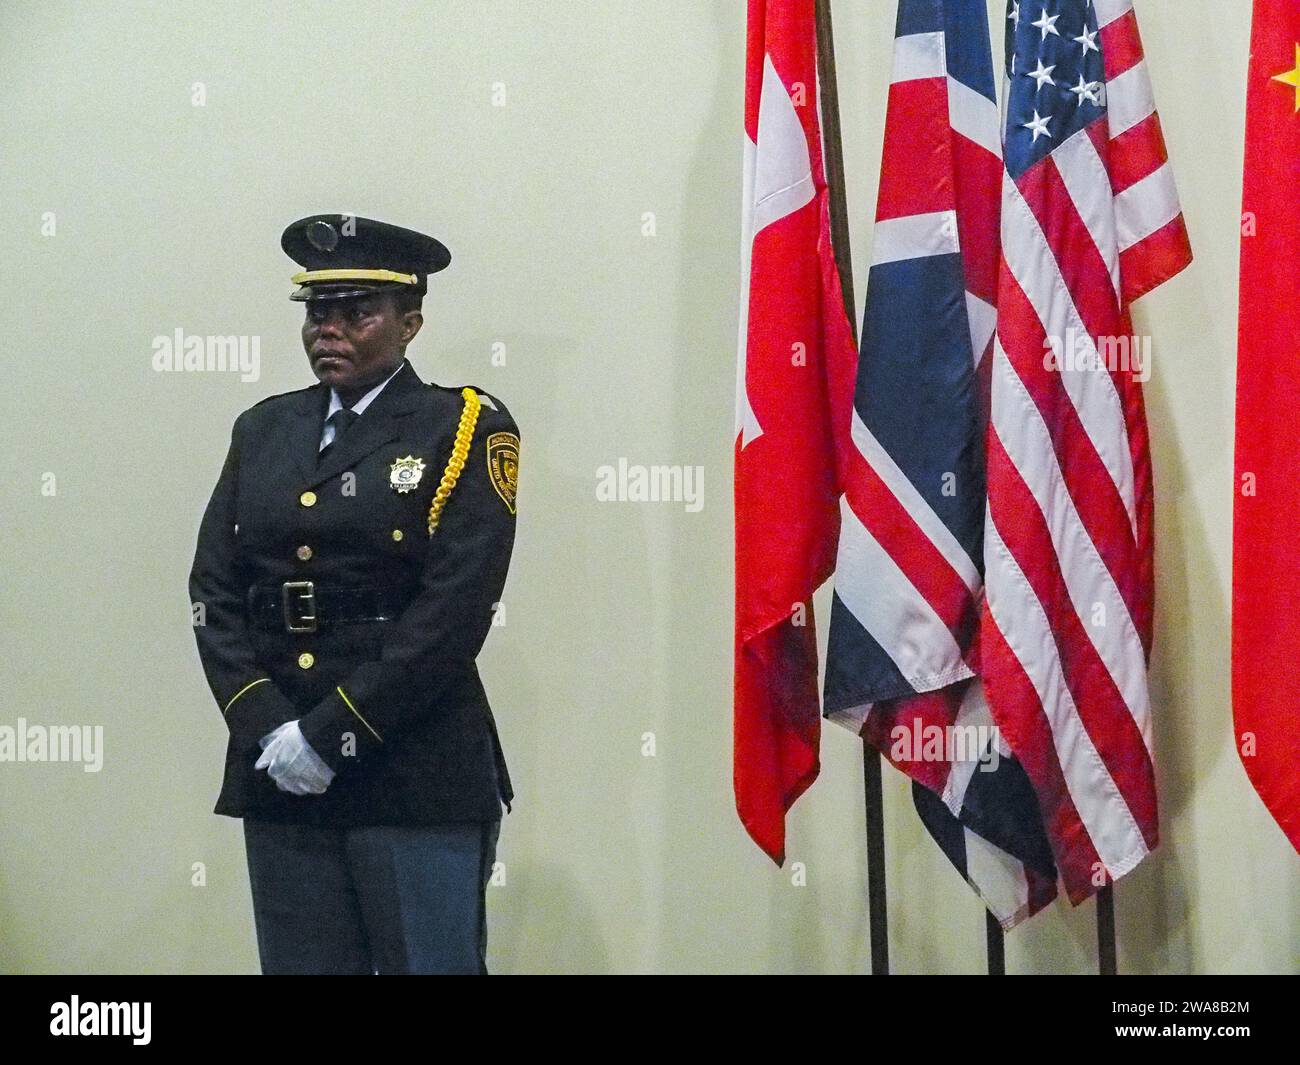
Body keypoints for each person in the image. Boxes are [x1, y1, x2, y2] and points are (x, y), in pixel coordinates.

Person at [188, 213, 519, 974]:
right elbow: (214, 588)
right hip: (280, 770)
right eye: (316, 312)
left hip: (411, 766)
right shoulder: (263, 429)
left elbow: (454, 609)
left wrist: (330, 732)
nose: (327, 330)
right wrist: (270, 727)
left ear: (410, 322)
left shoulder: (461, 426)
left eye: (356, 312)